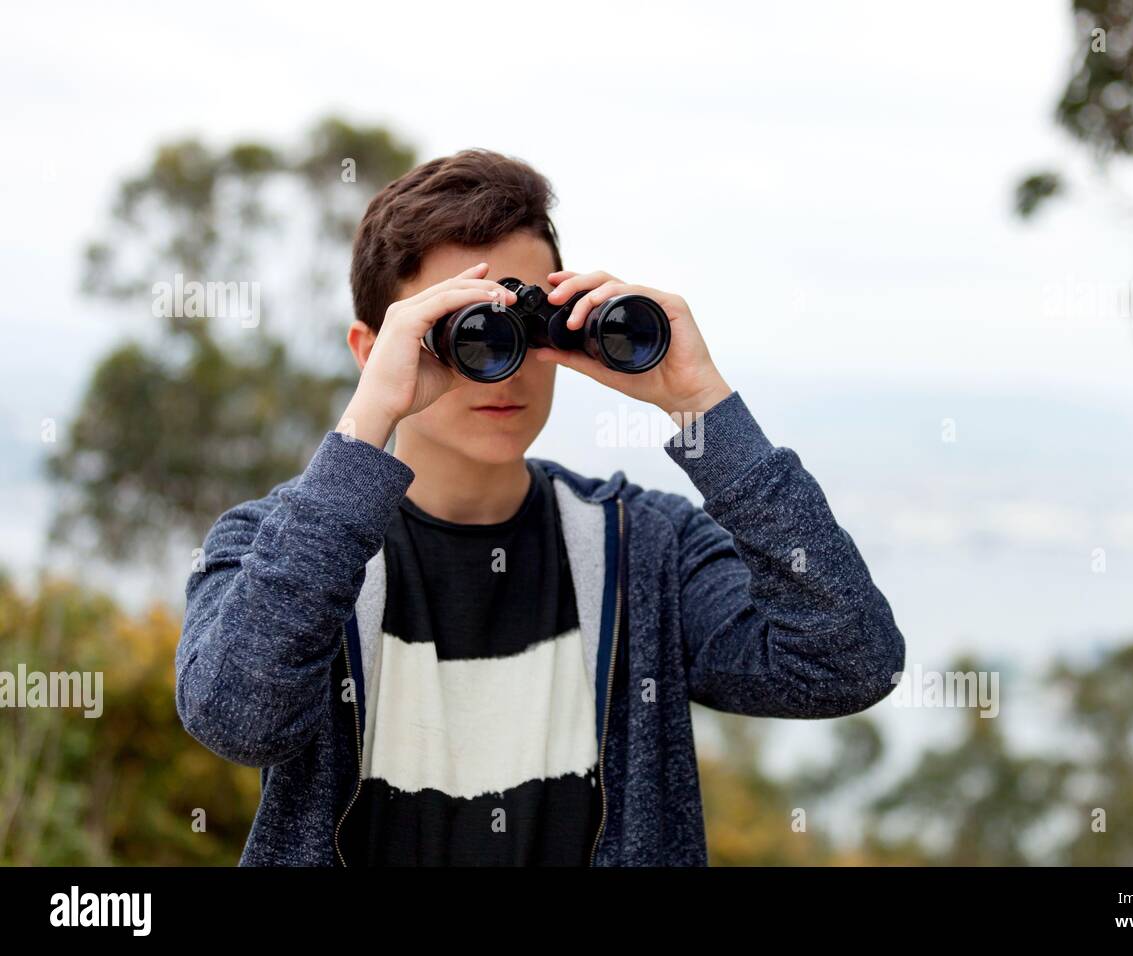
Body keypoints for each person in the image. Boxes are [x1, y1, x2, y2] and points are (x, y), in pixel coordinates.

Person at [175, 147, 906, 866]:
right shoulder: (279, 546)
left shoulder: (646, 546)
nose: (504, 363)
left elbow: (848, 662)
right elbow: (239, 717)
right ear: (372, 349)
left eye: (525, 326)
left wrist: (701, 403)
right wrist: (365, 425)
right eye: (465, 327)